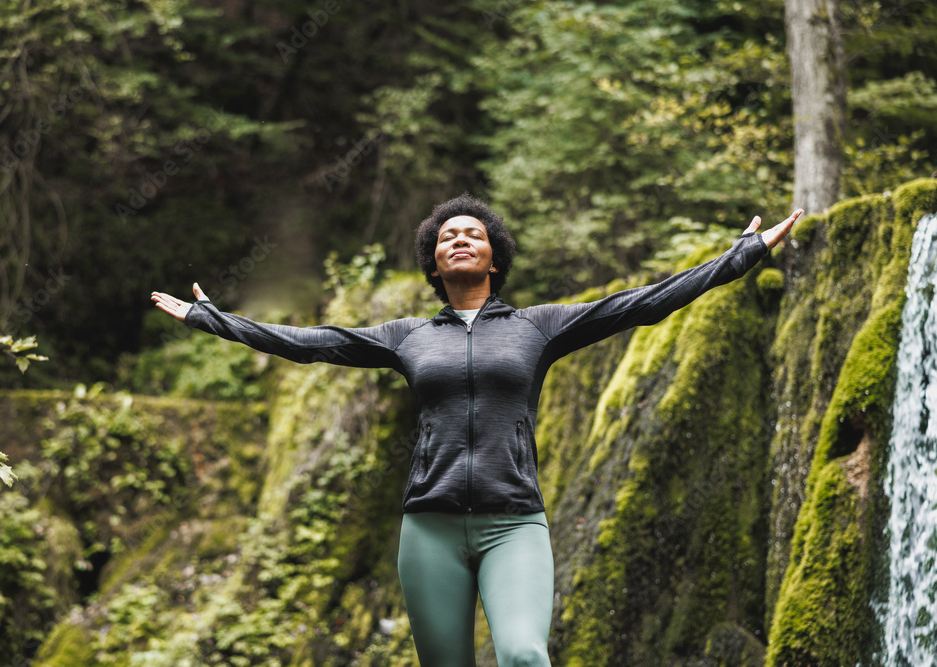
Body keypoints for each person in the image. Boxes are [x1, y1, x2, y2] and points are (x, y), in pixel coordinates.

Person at [151, 195, 802, 666]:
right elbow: (312, 342)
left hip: (513, 522)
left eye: (473, 232)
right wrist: (215, 319)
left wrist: (740, 255)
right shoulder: (406, 336)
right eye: (446, 237)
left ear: (494, 255)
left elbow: (642, 303)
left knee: (522, 653)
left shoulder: (537, 325)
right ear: (435, 263)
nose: (459, 238)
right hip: (428, 528)